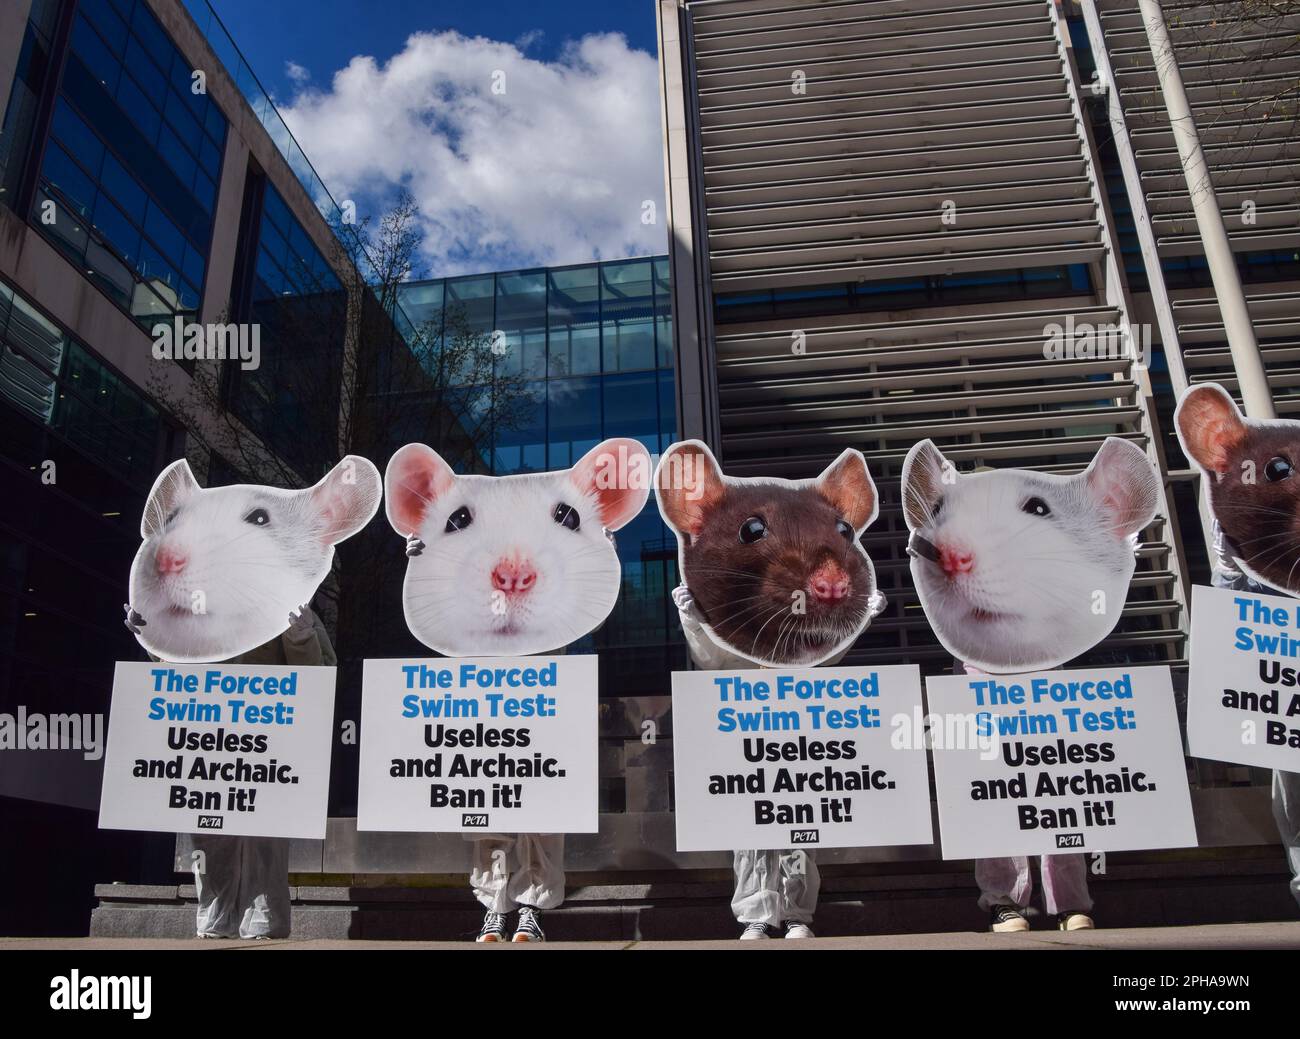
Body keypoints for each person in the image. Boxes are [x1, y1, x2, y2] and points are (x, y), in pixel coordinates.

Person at [133, 602, 335, 939]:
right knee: (208, 828)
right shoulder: (196, 603)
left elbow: (321, 676)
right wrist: (154, 640)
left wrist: (301, 637)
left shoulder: (286, 597)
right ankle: (215, 915)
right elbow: (177, 670)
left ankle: (265, 918)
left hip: (265, 742)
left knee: (265, 835)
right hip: (207, 739)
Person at [674, 585, 834, 940]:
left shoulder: (802, 592)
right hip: (747, 720)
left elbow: (827, 653)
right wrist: (695, 622)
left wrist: (857, 621)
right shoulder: (737, 592)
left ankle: (795, 912)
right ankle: (755, 912)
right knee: (751, 820)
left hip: (795, 718)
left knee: (797, 817)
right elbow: (712, 661)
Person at [955, 659, 1095, 933]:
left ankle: (1069, 902)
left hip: (1042, 652)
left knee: (1054, 776)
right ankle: (1004, 899)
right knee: (994, 782)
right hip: (979, 656)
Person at [1208, 521, 1300, 911]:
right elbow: (1236, 607)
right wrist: (1228, 565)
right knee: (1294, 796)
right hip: (1289, 706)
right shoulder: (1273, 563)